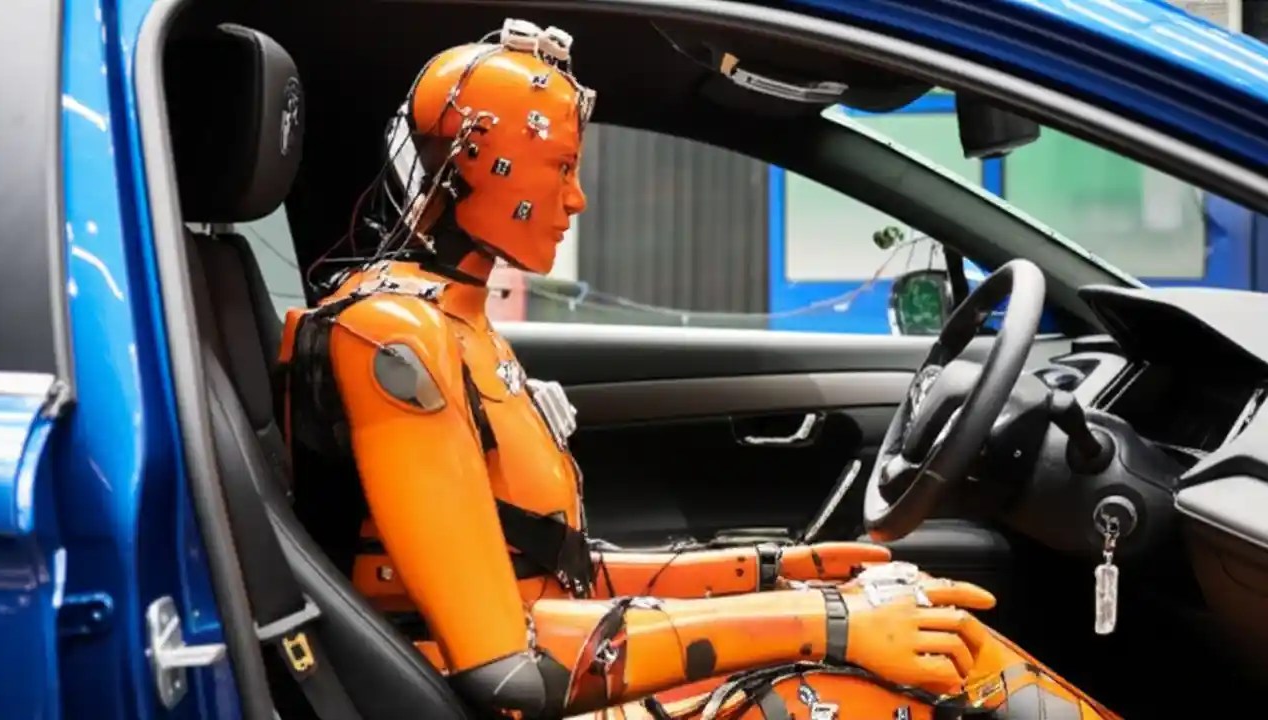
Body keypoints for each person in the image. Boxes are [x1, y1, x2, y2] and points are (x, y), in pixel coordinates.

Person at [278, 19, 1117, 719]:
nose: (576, 201)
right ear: (471, 162)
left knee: (952, 645)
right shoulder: (392, 341)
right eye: (562, 170)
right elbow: (509, 666)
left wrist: (796, 569)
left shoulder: (451, 324)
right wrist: (830, 626)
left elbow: (558, 572)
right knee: (916, 674)